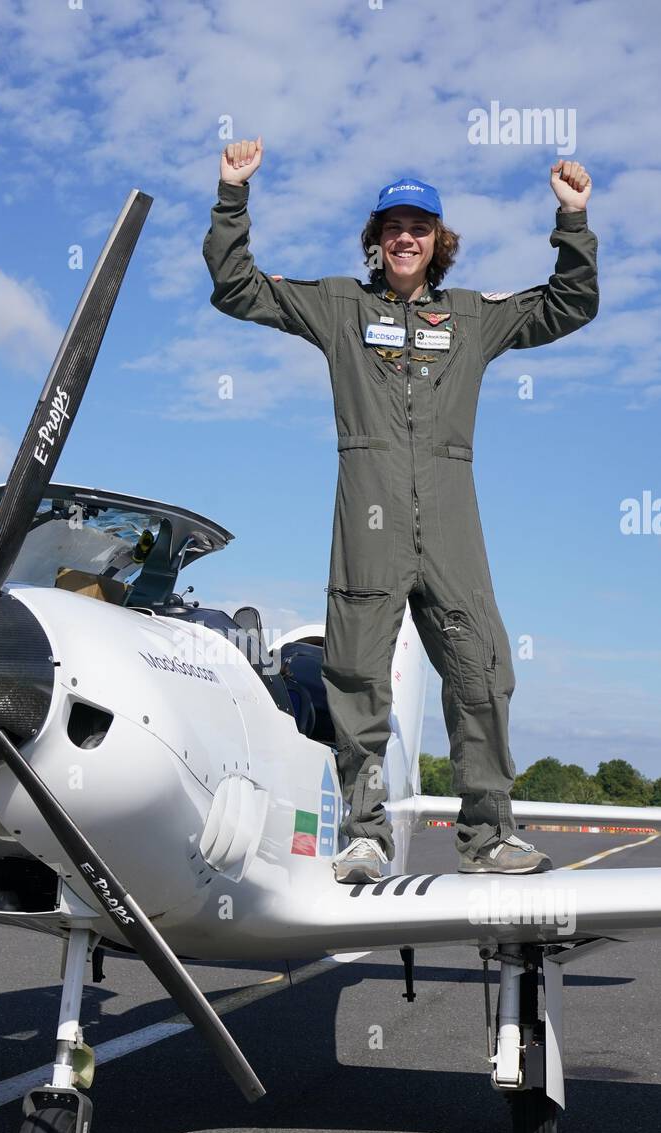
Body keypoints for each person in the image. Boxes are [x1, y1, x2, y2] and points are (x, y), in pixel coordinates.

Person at [202, 137, 598, 882]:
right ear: (375, 242)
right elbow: (236, 287)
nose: (404, 238)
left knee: (481, 671)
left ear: (437, 241)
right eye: (391, 228)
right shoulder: (339, 306)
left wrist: (571, 221)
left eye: (418, 228)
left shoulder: (474, 317)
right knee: (354, 673)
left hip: (452, 513)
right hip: (367, 504)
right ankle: (364, 834)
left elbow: (569, 304)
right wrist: (232, 196)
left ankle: (487, 837)